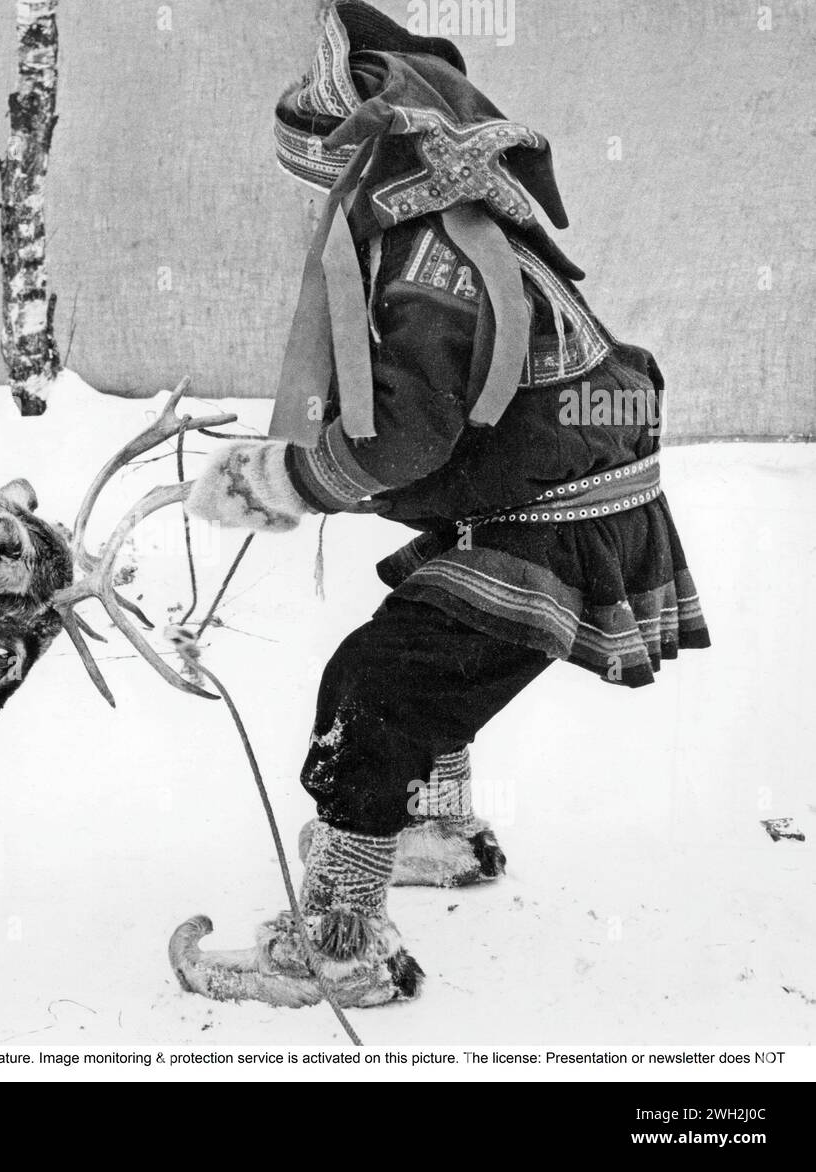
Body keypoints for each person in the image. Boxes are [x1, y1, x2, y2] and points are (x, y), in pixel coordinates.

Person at [177, 1, 709, 1009]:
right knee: (415, 669)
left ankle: (342, 938)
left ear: (369, 164)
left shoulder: (429, 267)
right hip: (565, 505)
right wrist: (295, 474)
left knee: (375, 691)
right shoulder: (457, 237)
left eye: (323, 174)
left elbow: (409, 433)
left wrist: (284, 480)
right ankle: (430, 827)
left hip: (551, 526)